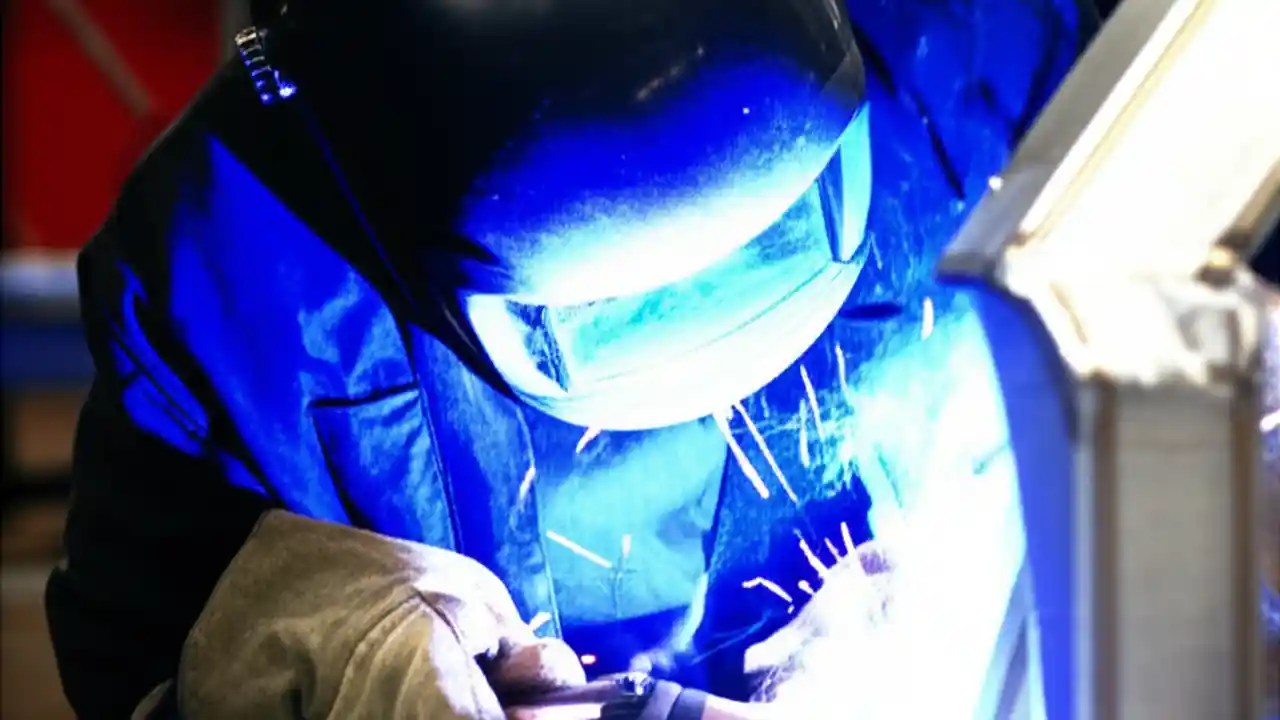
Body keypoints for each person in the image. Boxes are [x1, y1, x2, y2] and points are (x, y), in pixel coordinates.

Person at [45, 0, 1094, 717]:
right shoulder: (239, 274)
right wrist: (293, 663)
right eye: (624, 303)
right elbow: (130, 657)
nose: (702, 322)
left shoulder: (974, 50)